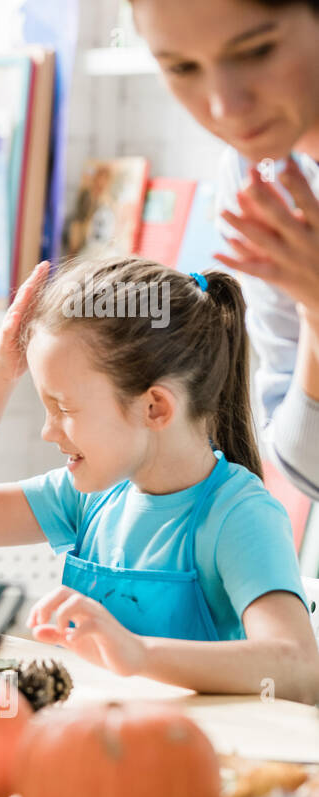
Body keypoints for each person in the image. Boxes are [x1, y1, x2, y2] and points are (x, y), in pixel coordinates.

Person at [0, 257, 318, 703]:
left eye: (63, 409)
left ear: (154, 408)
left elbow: (298, 668)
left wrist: (139, 654)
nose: (49, 432)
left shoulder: (238, 515)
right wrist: (1, 372)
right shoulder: (91, 493)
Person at [133, 0, 319, 499]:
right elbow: (307, 466)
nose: (224, 107)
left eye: (257, 50)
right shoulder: (255, 180)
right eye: (182, 67)